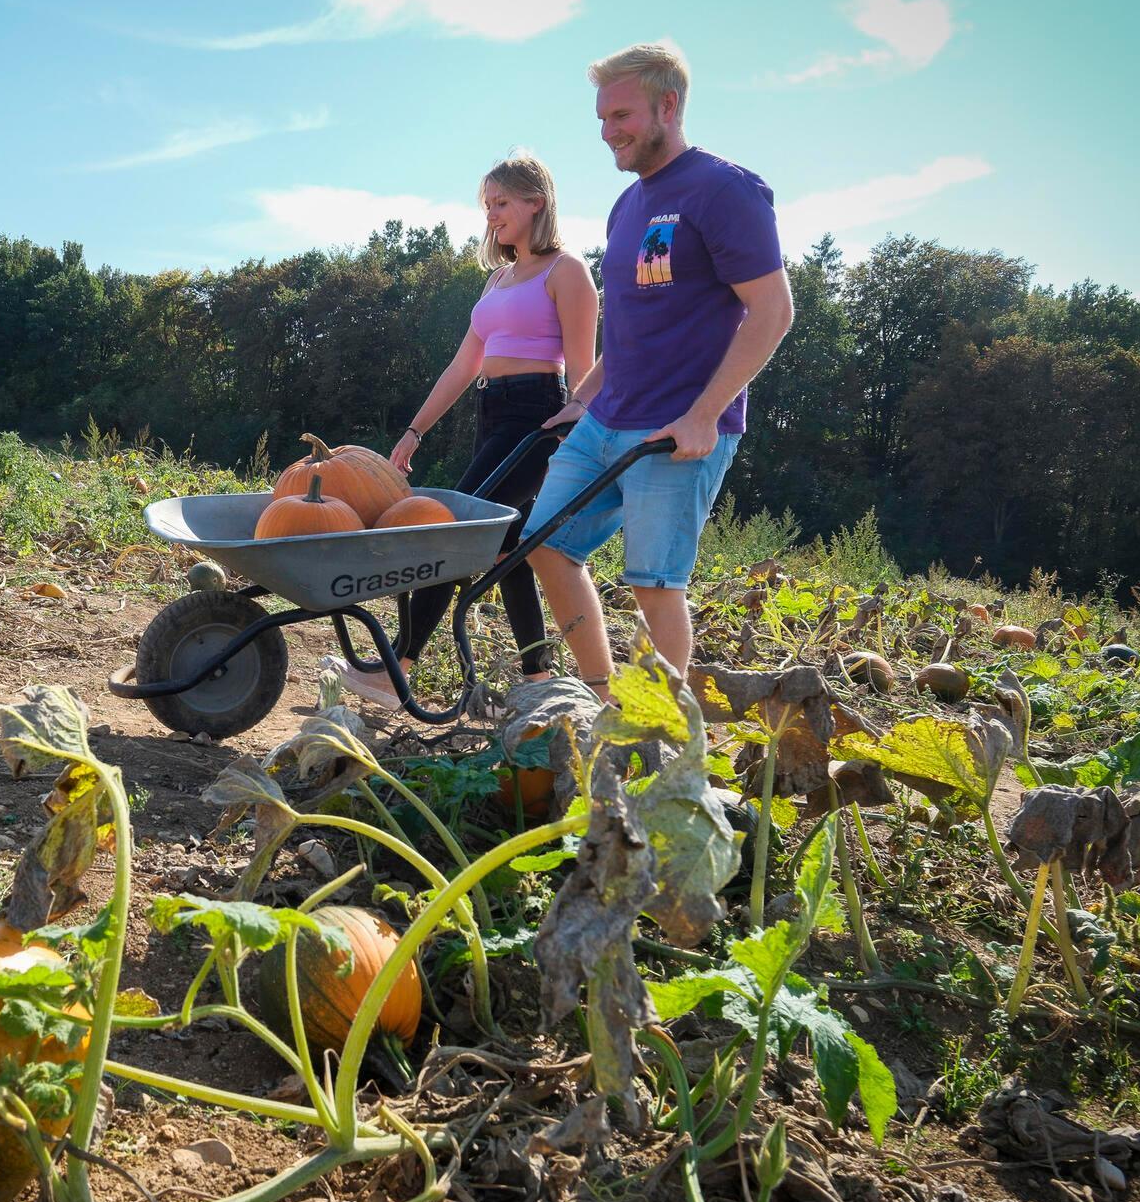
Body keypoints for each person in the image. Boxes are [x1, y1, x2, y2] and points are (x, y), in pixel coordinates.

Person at [523, 42, 793, 687]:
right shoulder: (628, 205)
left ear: (667, 106)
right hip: (606, 419)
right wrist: (583, 398)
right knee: (545, 546)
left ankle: (662, 727)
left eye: (621, 116)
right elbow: (629, 329)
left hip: (676, 429)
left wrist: (704, 415)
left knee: (654, 584)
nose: (607, 132)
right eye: (601, 119)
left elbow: (773, 311)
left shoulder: (724, 190)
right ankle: (601, 694)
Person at [330, 153, 598, 709]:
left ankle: (398, 669)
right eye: (487, 205)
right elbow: (462, 365)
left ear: (536, 203)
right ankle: (538, 681)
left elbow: (583, 366)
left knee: (452, 529)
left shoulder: (566, 271)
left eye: (501, 203)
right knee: (506, 548)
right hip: (492, 412)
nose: (491, 215)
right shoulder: (498, 279)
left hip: (536, 416)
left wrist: (575, 420)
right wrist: (415, 430)